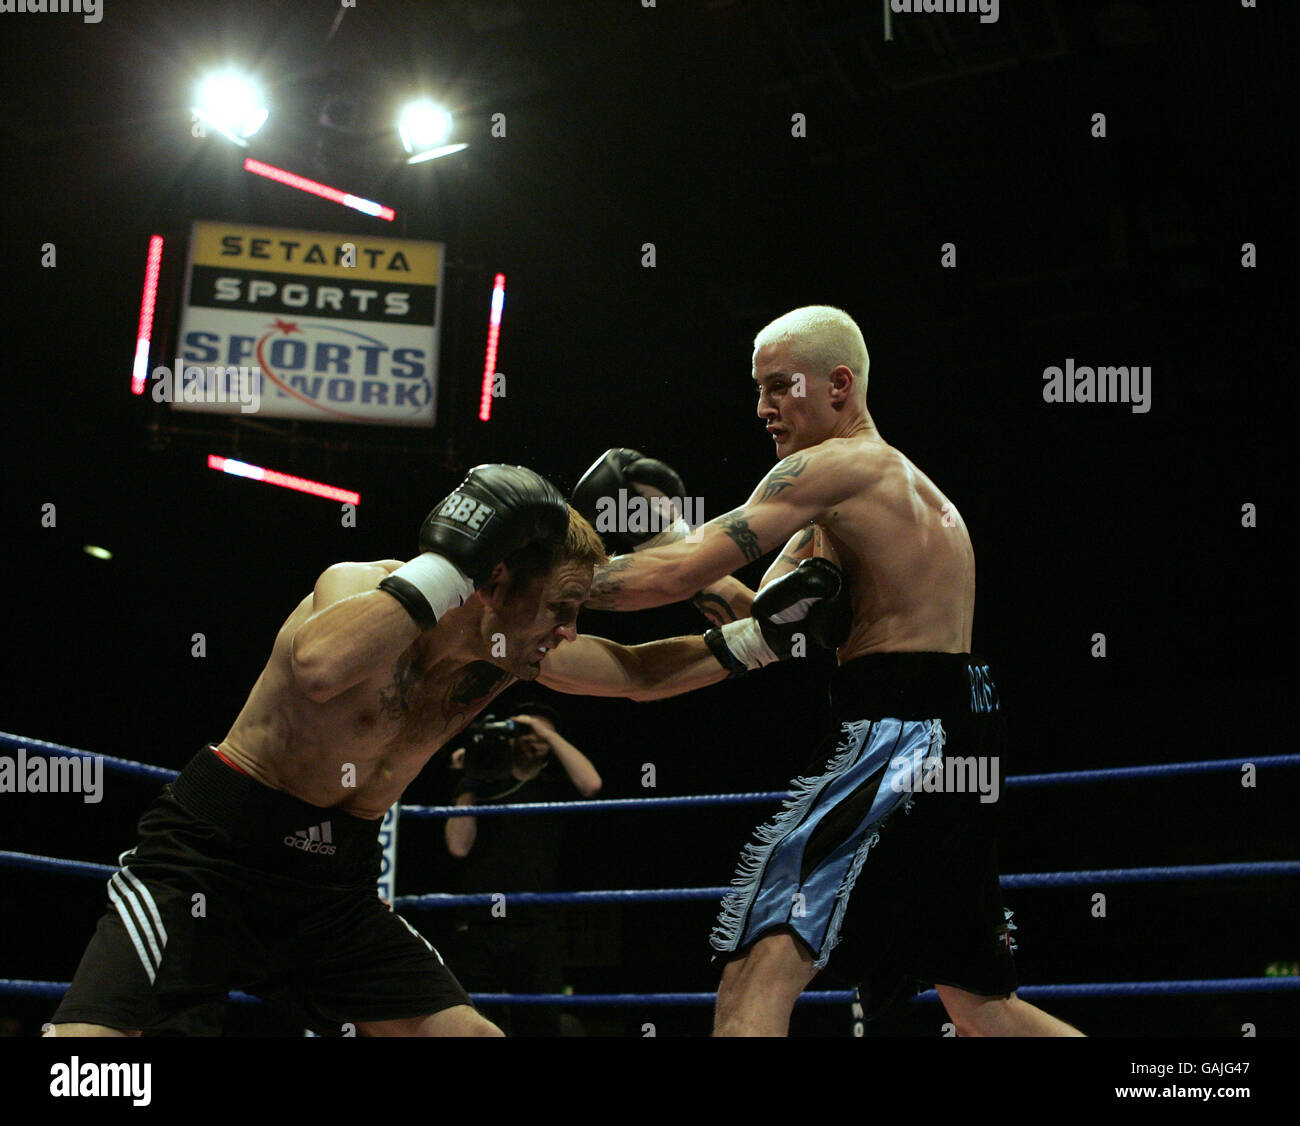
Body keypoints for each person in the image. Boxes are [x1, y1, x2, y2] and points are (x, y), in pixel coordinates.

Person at [46, 462, 842, 1037]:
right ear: (491, 581)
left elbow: (634, 673)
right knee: (89, 1063)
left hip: (333, 887)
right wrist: (447, 562)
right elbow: (320, 670)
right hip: (213, 856)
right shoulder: (365, 587)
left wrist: (758, 639)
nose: (567, 631)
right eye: (560, 607)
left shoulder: (509, 656)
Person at [570, 305, 1085, 1037]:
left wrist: (540, 584)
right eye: (758, 389)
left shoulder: (828, 469)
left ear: (839, 383)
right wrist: (673, 535)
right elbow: (764, 621)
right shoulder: (880, 486)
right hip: (959, 725)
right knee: (979, 1002)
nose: (762, 409)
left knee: (758, 969)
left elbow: (676, 579)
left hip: (897, 730)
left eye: (781, 386)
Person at [442, 703, 599, 1036]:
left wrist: (544, 731)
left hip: (535, 922)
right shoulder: (484, 783)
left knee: (541, 1023)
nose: (534, 739)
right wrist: (468, 780)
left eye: (542, 734)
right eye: (525, 732)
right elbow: (457, 847)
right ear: (510, 739)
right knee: (476, 1022)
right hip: (478, 921)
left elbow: (592, 784)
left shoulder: (554, 784)